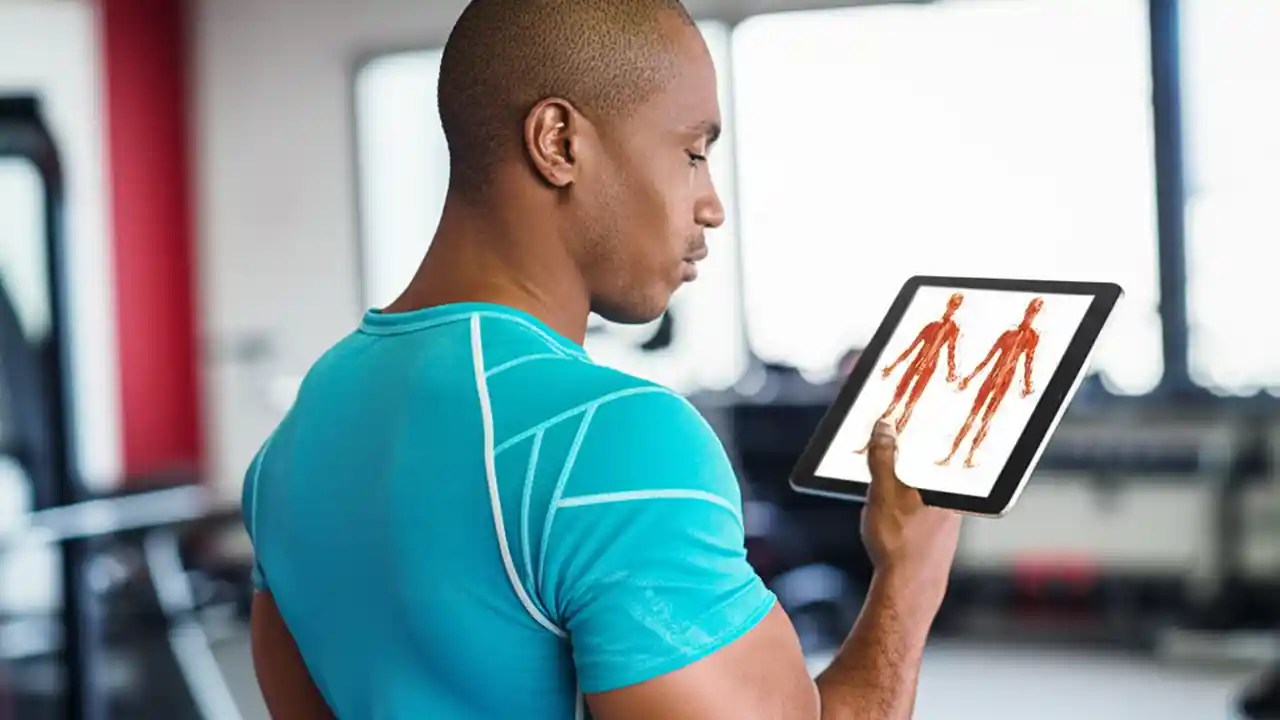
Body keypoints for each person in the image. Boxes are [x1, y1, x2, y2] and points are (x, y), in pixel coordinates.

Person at [242, 1, 961, 717]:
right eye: (692, 151)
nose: (711, 204)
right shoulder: (618, 438)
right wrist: (910, 577)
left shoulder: (297, 435)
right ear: (558, 143)